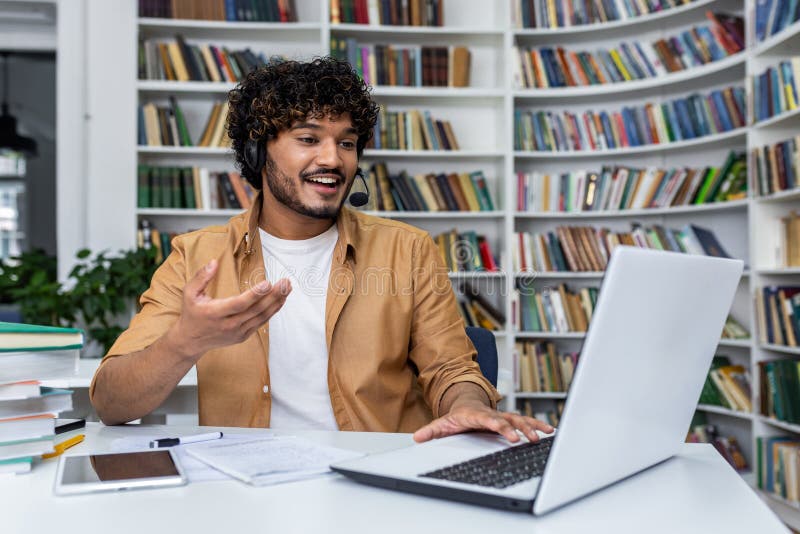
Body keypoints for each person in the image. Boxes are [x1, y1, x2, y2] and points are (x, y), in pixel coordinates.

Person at [90, 57, 553, 444]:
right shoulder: (195, 257)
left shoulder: (406, 250)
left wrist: (469, 408)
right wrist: (186, 341)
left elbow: (451, 369)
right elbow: (111, 403)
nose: (333, 159)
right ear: (257, 152)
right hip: (250, 491)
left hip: (375, 482)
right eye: (309, 139)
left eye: (347, 143)